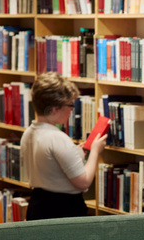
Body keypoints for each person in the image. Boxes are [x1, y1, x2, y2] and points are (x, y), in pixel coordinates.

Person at [21, 72, 107, 220]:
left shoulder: (28, 133)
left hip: (38, 205)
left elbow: (51, 167)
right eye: (70, 105)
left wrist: (77, 154)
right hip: (62, 208)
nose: (72, 109)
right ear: (55, 108)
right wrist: (95, 151)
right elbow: (83, 182)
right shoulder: (57, 138)